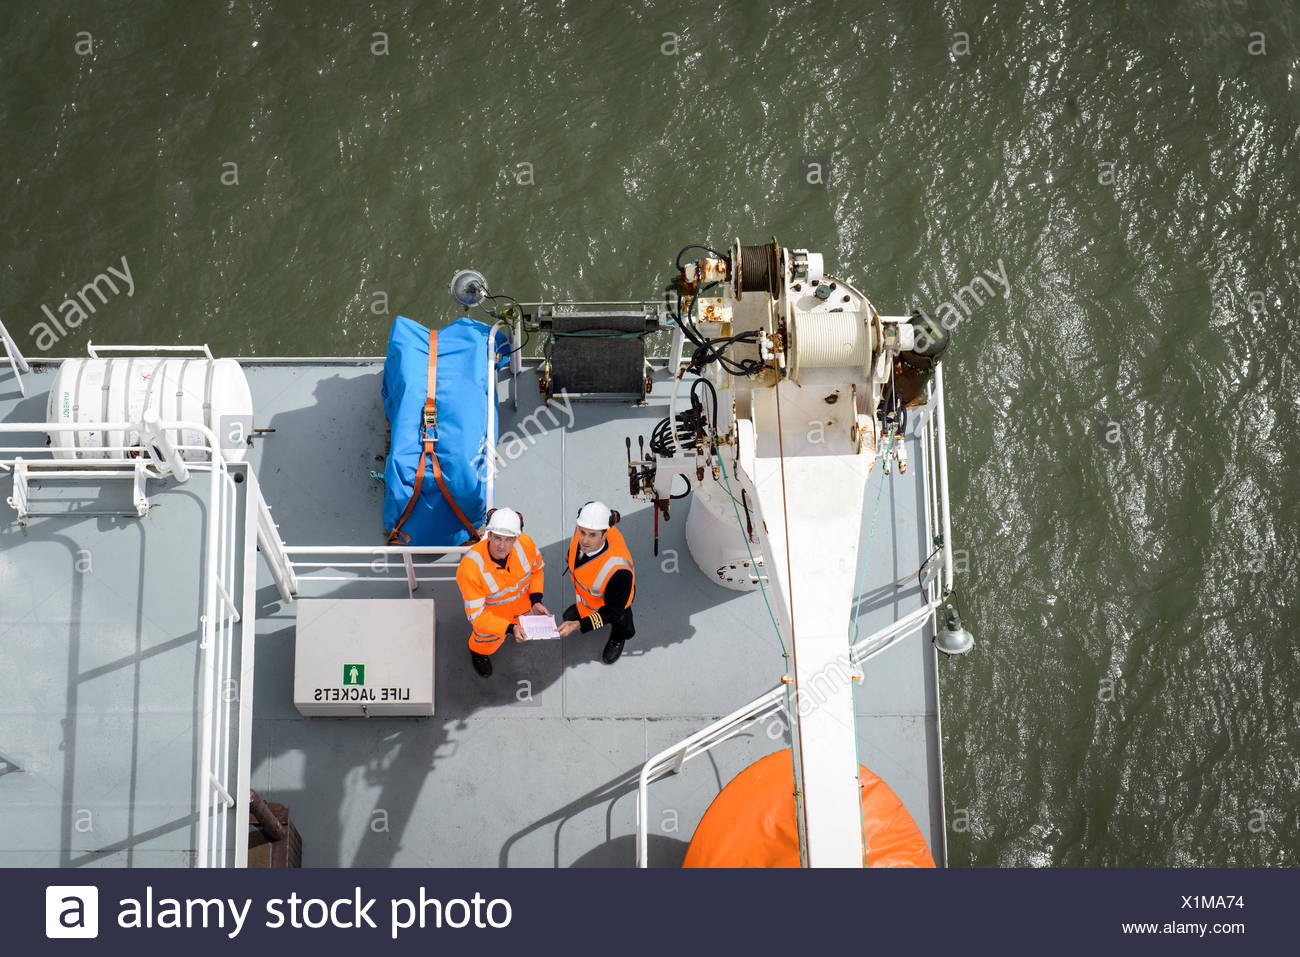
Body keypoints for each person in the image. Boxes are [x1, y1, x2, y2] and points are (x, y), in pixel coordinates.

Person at [455, 507, 547, 677]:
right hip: (492, 622)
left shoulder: (526, 545)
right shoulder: (470, 568)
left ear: (516, 538)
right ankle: (479, 653)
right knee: (485, 643)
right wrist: (509, 628)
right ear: (489, 535)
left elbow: (537, 571)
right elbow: (476, 616)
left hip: (523, 611)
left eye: (508, 539)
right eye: (497, 538)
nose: (502, 546)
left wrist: (536, 600)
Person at [558, 501, 635, 664]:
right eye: (582, 532)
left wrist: (578, 624)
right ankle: (583, 610)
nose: (584, 540)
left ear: (605, 534)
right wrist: (570, 556)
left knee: (621, 620)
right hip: (589, 597)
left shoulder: (618, 571)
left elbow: (612, 612)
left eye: (592, 535)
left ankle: (618, 638)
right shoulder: (587, 525)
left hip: (617, 602)